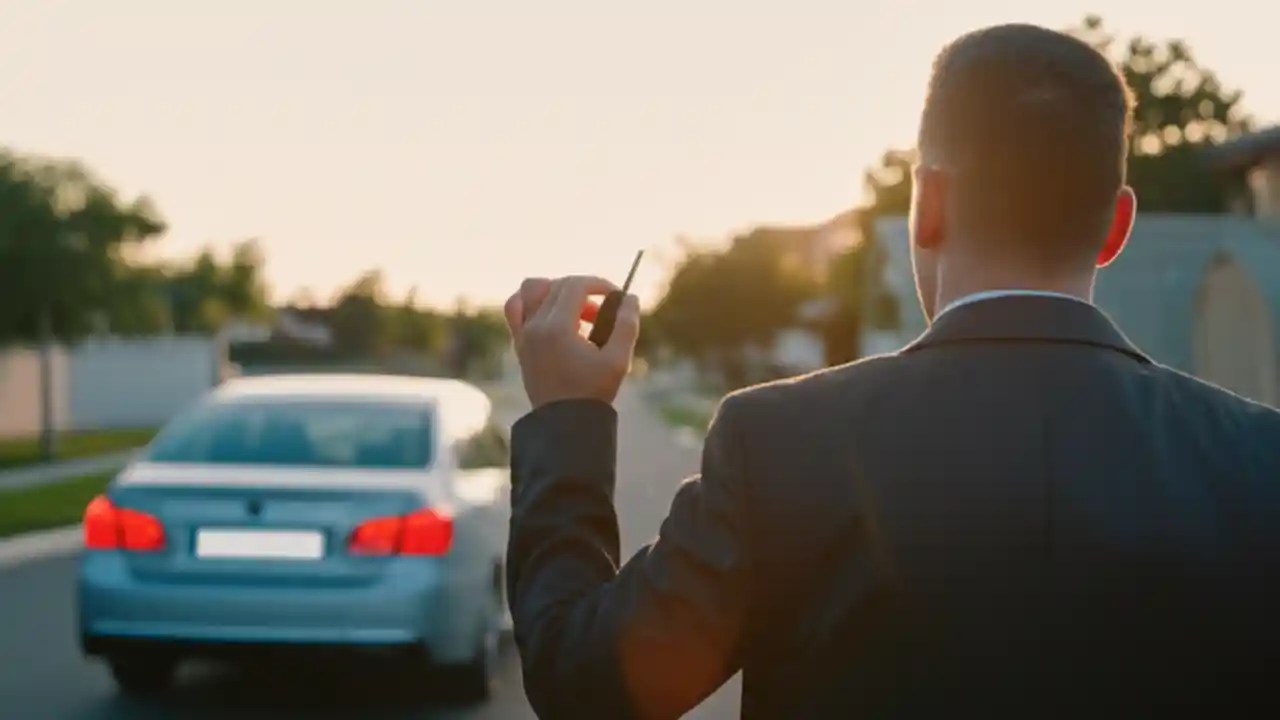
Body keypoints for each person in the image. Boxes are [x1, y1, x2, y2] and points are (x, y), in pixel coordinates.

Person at [501, 24, 1280, 719]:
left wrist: (569, 416)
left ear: (929, 201)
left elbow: (588, 689)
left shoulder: (777, 442)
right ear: (1115, 226)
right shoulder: (1258, 460)